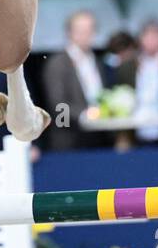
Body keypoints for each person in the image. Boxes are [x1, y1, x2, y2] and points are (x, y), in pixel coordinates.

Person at [42, 10, 111, 151]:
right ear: (69, 32)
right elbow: (58, 105)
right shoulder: (58, 63)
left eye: (89, 30)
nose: (86, 35)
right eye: (80, 30)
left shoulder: (97, 62)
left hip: (98, 137)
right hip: (70, 141)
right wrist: (83, 115)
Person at [132, 19, 158, 146]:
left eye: (156, 36)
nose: (152, 40)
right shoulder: (128, 66)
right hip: (134, 130)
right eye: (148, 36)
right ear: (140, 39)